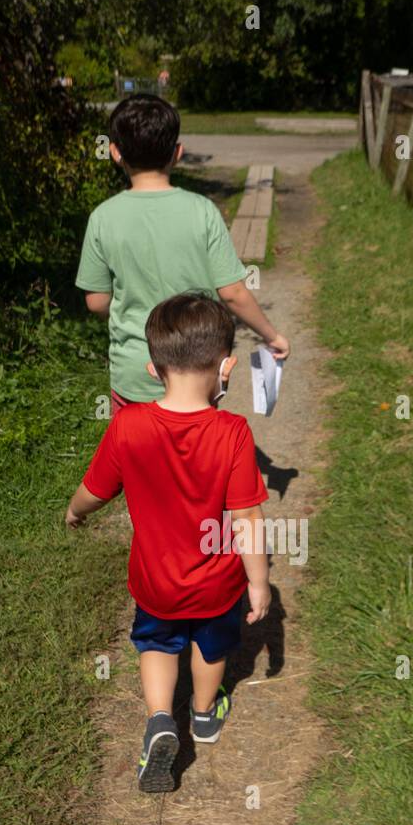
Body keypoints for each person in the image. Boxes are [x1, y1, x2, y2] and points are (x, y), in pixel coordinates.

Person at [65, 292, 270, 793]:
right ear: (227, 367)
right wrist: (258, 582)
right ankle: (203, 715)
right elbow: (246, 516)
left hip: (156, 579)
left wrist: (74, 512)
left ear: (154, 370)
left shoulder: (128, 425)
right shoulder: (234, 432)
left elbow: (95, 491)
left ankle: (160, 718)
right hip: (217, 582)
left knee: (156, 643)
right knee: (210, 645)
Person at [75, 92, 289, 416]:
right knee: (195, 459)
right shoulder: (202, 211)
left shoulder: (103, 217)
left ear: (115, 153)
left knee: (138, 461)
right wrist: (272, 336)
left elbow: (97, 302)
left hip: (134, 373)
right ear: (177, 153)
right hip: (199, 372)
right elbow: (232, 293)